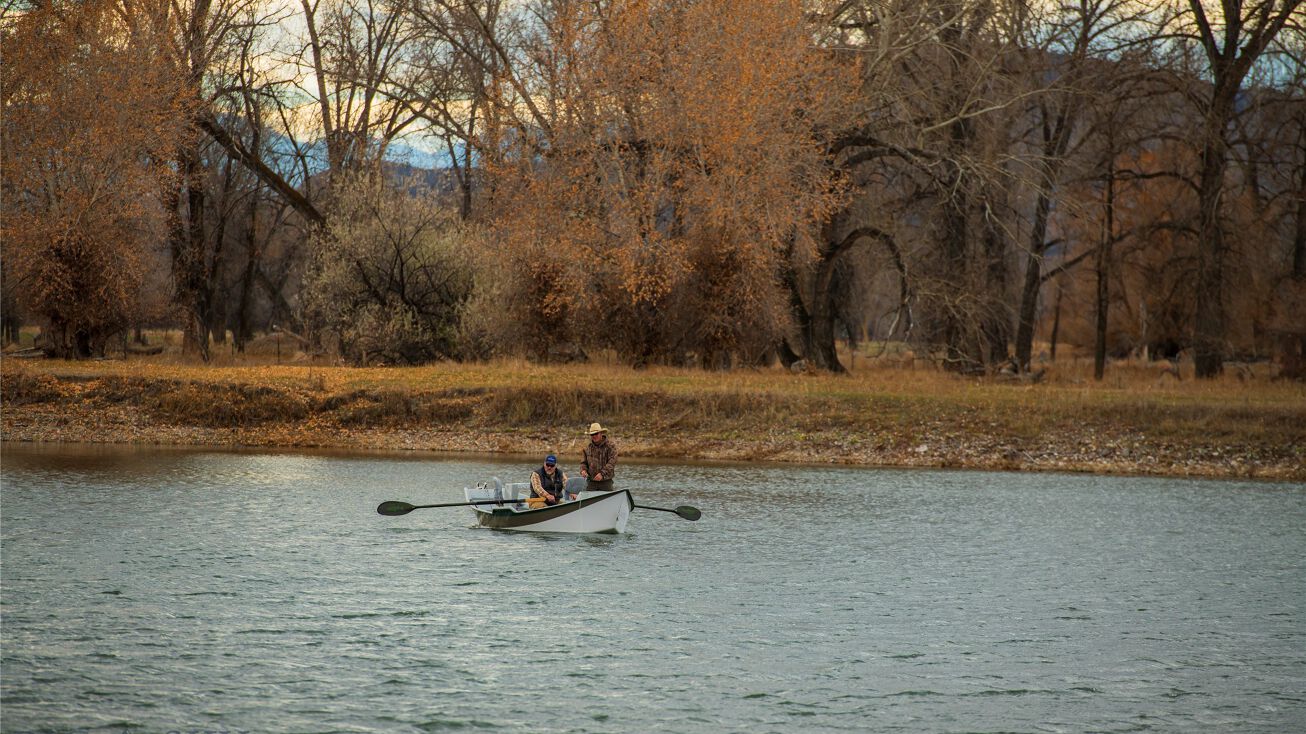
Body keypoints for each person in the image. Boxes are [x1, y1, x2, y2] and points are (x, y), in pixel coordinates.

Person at [579, 422, 617, 493]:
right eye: (592, 434)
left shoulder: (610, 446)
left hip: (606, 482)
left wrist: (602, 473)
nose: (594, 436)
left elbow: (612, 462)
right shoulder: (587, 447)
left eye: (596, 434)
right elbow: (583, 463)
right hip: (591, 482)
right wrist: (583, 470)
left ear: (601, 433)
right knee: (589, 502)